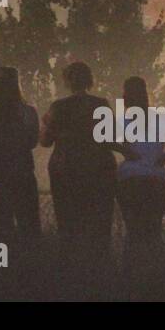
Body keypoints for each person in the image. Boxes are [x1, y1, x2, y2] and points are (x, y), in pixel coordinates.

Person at [40, 61, 116, 259]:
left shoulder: (58, 107)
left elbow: (46, 141)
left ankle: (71, 269)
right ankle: (100, 267)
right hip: (98, 170)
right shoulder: (101, 105)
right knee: (99, 225)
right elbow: (111, 138)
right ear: (89, 81)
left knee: (68, 225)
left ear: (67, 82)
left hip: (65, 171)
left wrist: (46, 124)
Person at [114, 76, 165, 266]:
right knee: (153, 231)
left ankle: (129, 275)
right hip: (154, 179)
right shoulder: (161, 118)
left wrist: (124, 150)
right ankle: (154, 275)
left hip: (130, 180)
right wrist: (164, 156)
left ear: (126, 96)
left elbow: (103, 139)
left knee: (133, 231)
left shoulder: (123, 121)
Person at [0, 66, 40, 238]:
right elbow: (33, 141)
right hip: (22, 173)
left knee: (0, 226)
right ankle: (27, 262)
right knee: (28, 227)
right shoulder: (29, 112)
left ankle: (1, 262)